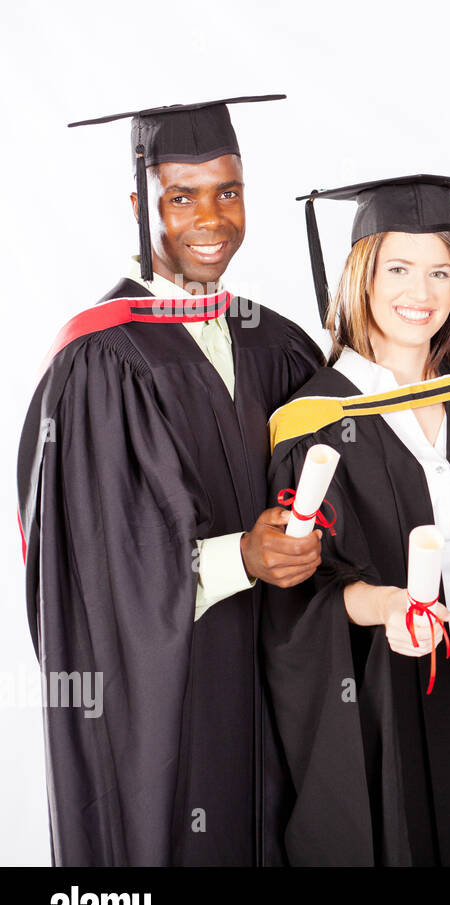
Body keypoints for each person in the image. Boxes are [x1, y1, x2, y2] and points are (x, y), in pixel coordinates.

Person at [16, 96, 325, 865]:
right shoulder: (101, 360)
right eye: (181, 196)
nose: (210, 218)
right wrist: (241, 559)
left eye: (228, 192)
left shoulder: (273, 340)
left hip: (276, 686)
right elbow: (95, 572)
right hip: (169, 703)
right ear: (138, 205)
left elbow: (363, 437)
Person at [262, 174, 450, 865]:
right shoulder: (312, 420)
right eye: (398, 269)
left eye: (440, 271)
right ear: (361, 277)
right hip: (391, 709)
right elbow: (295, 593)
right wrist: (383, 604)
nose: (422, 292)